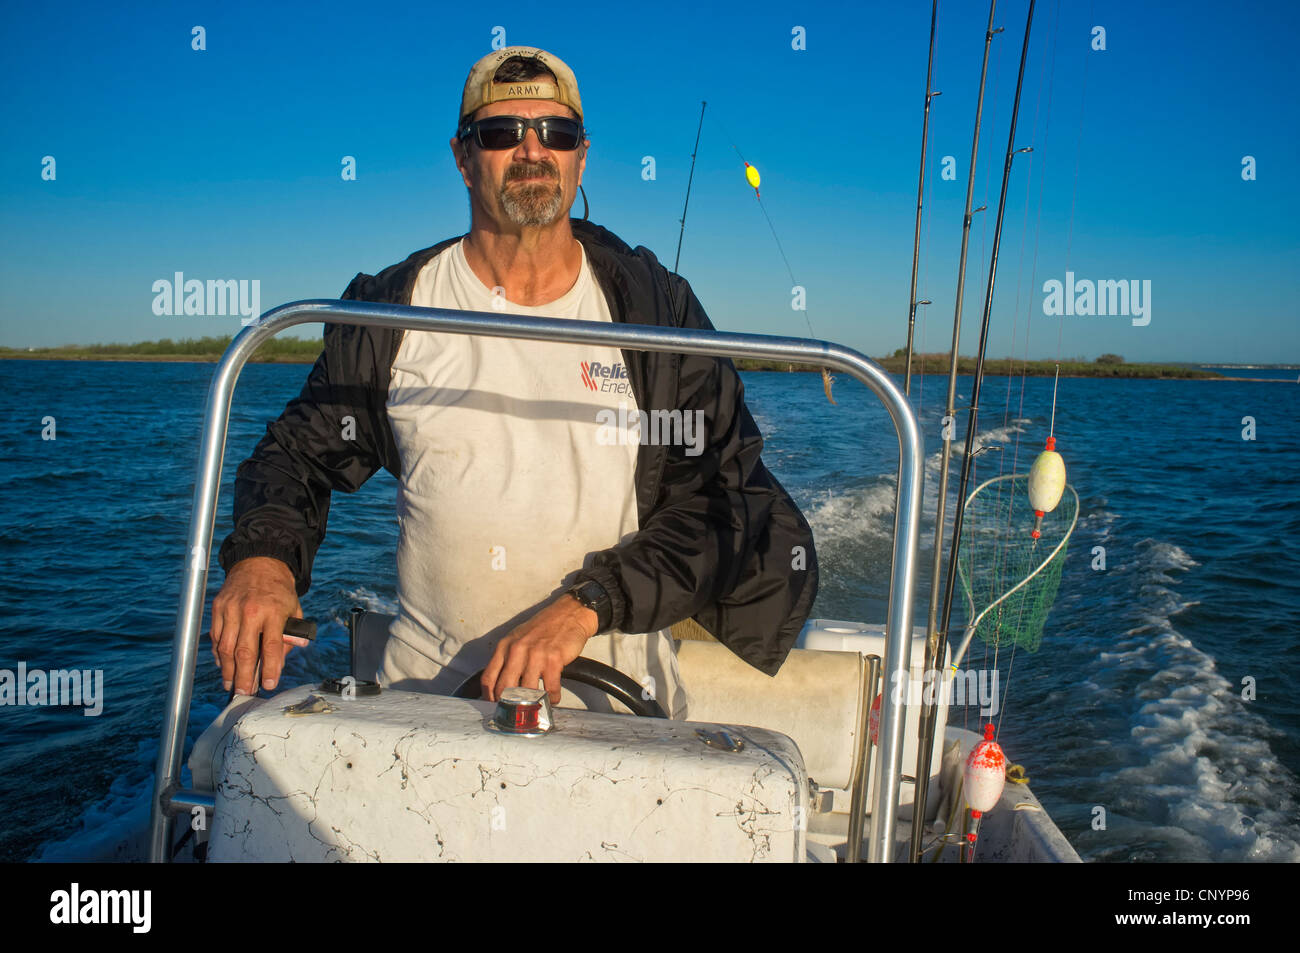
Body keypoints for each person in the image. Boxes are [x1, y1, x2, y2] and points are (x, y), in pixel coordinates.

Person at [211, 46, 817, 717]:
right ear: (463, 157)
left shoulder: (656, 312)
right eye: (502, 133)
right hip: (428, 707)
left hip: (614, 710)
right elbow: (294, 455)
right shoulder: (392, 311)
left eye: (554, 134)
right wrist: (263, 560)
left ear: (580, 156)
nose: (532, 151)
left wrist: (587, 604)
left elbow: (722, 503)